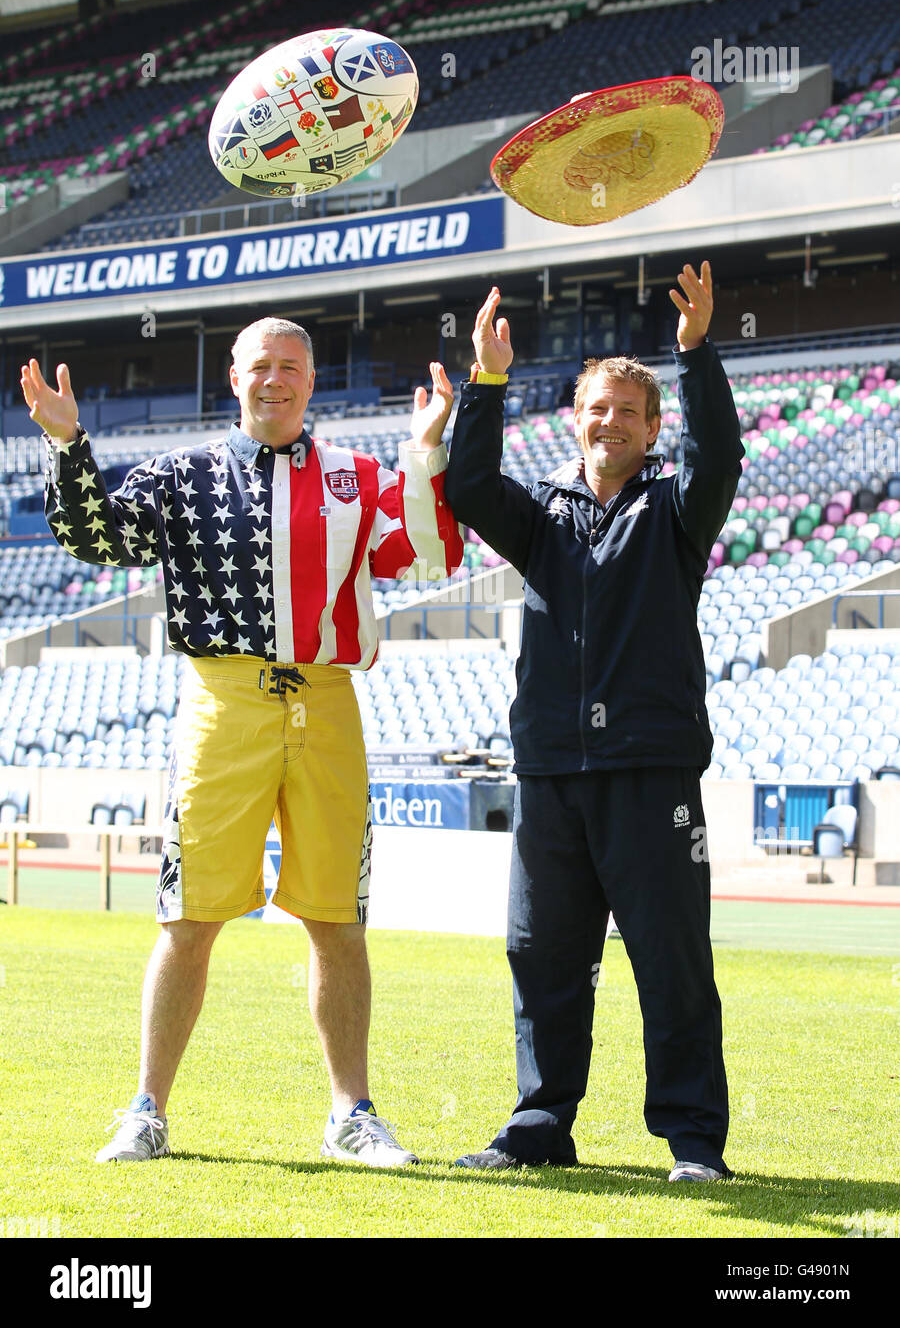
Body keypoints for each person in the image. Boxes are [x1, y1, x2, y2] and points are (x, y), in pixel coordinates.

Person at [21, 317, 462, 1167]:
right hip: (223, 704)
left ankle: (352, 1113)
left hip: (328, 703)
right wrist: (69, 442)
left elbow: (434, 554)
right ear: (233, 377)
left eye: (291, 366)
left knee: (337, 918)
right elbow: (94, 536)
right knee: (188, 916)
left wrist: (424, 452)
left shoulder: (356, 477)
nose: (276, 379)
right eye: (260, 364)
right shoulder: (183, 475)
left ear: (311, 380)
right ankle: (146, 1109)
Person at [444, 265, 744, 1182]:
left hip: (650, 770)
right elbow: (466, 485)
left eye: (626, 410)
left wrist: (694, 357)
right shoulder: (539, 514)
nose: (607, 421)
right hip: (549, 775)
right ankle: (540, 1125)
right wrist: (487, 385)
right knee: (543, 957)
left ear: (651, 429)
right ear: (574, 419)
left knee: (672, 961)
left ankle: (693, 1142)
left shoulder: (676, 513)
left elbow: (720, 457)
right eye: (594, 408)